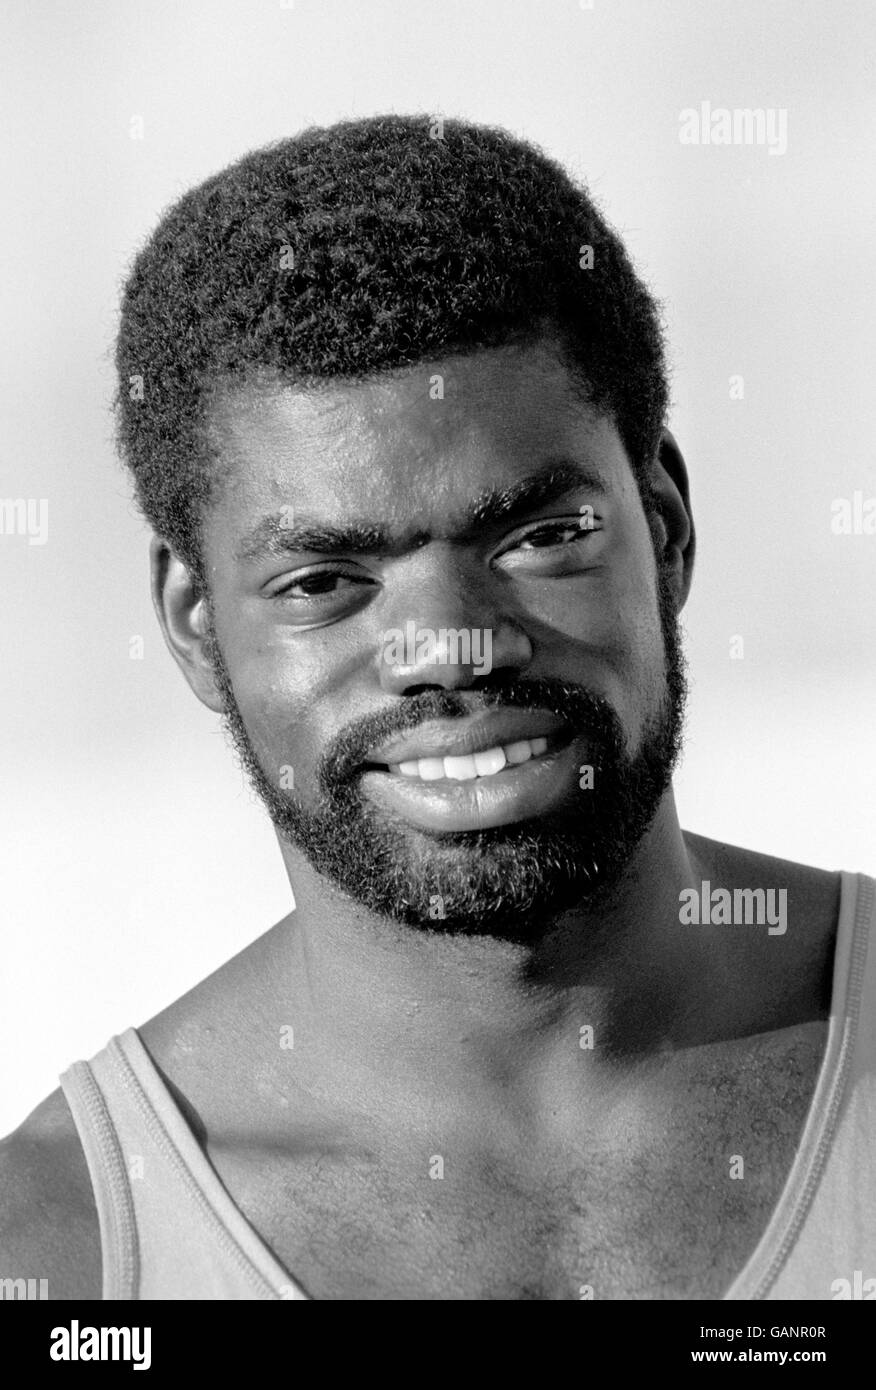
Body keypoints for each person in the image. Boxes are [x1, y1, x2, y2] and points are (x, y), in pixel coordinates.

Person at [1, 115, 873, 1302]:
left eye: (537, 536)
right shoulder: (60, 1258)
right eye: (324, 584)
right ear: (197, 623)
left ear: (664, 527)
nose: (450, 648)